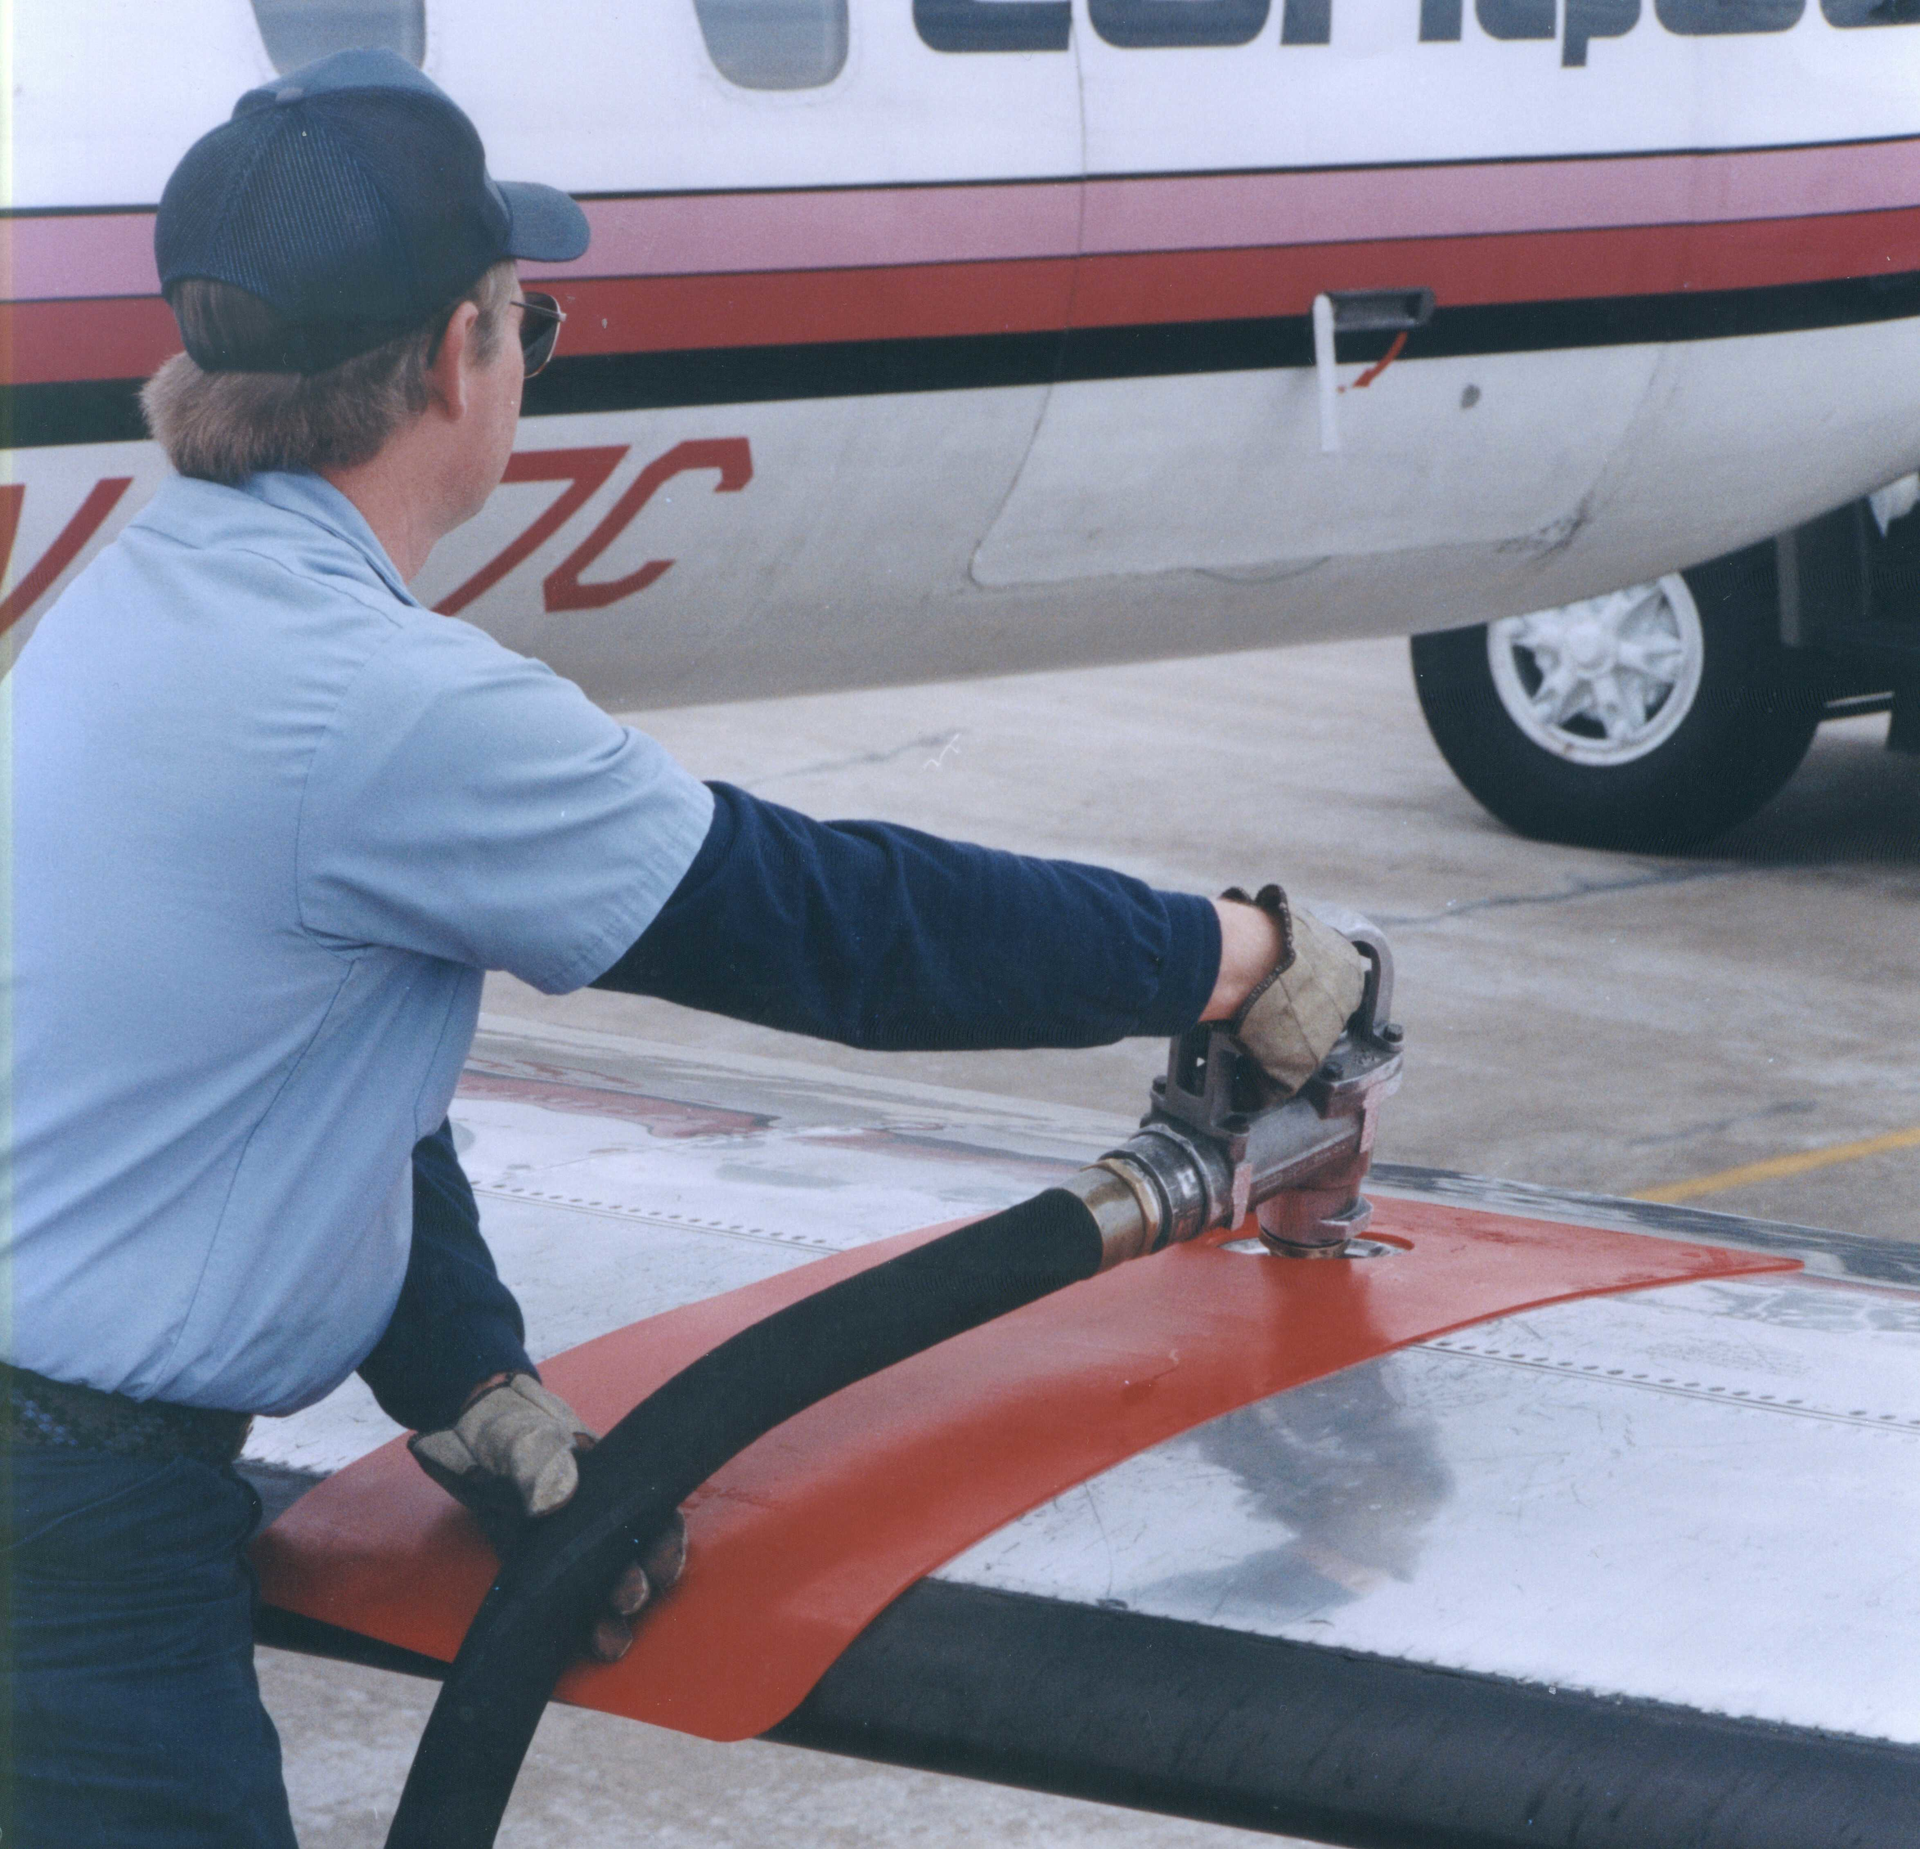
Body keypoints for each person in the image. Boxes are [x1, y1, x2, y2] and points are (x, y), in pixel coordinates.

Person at [2, 49, 1368, 1846]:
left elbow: (313, 1072)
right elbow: (827, 926)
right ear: (456, 357)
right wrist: (1225, 955)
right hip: (65, 1544)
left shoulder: (140, 598)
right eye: (529, 319)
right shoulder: (378, 705)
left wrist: (468, 1380)